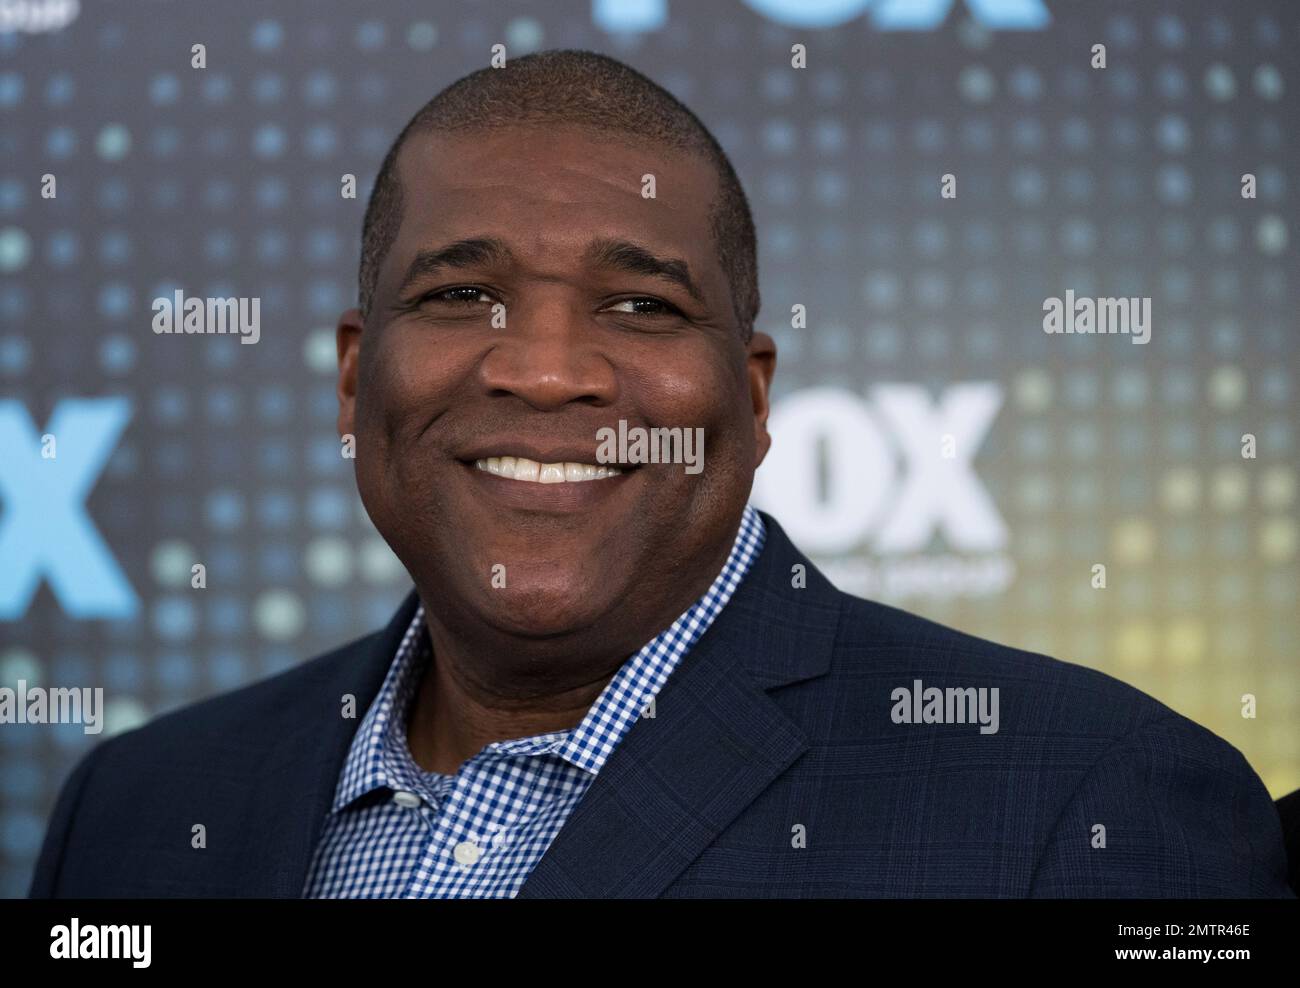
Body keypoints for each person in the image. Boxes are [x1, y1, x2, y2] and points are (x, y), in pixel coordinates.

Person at [29, 49, 1293, 898]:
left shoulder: (1089, 802)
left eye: (638, 305)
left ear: (748, 398)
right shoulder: (134, 815)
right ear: (356, 380)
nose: (543, 371)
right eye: (462, 292)